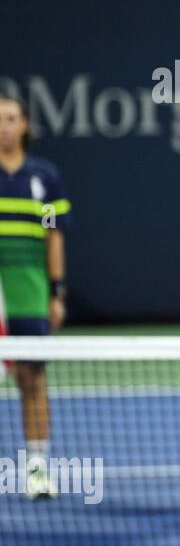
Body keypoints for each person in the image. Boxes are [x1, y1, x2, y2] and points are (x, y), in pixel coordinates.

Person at [0, 94, 71, 500]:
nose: (5, 127)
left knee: (32, 382)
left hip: (29, 294)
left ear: (25, 124)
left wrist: (56, 292)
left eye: (12, 119)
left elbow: (53, 237)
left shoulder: (43, 178)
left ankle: (37, 470)